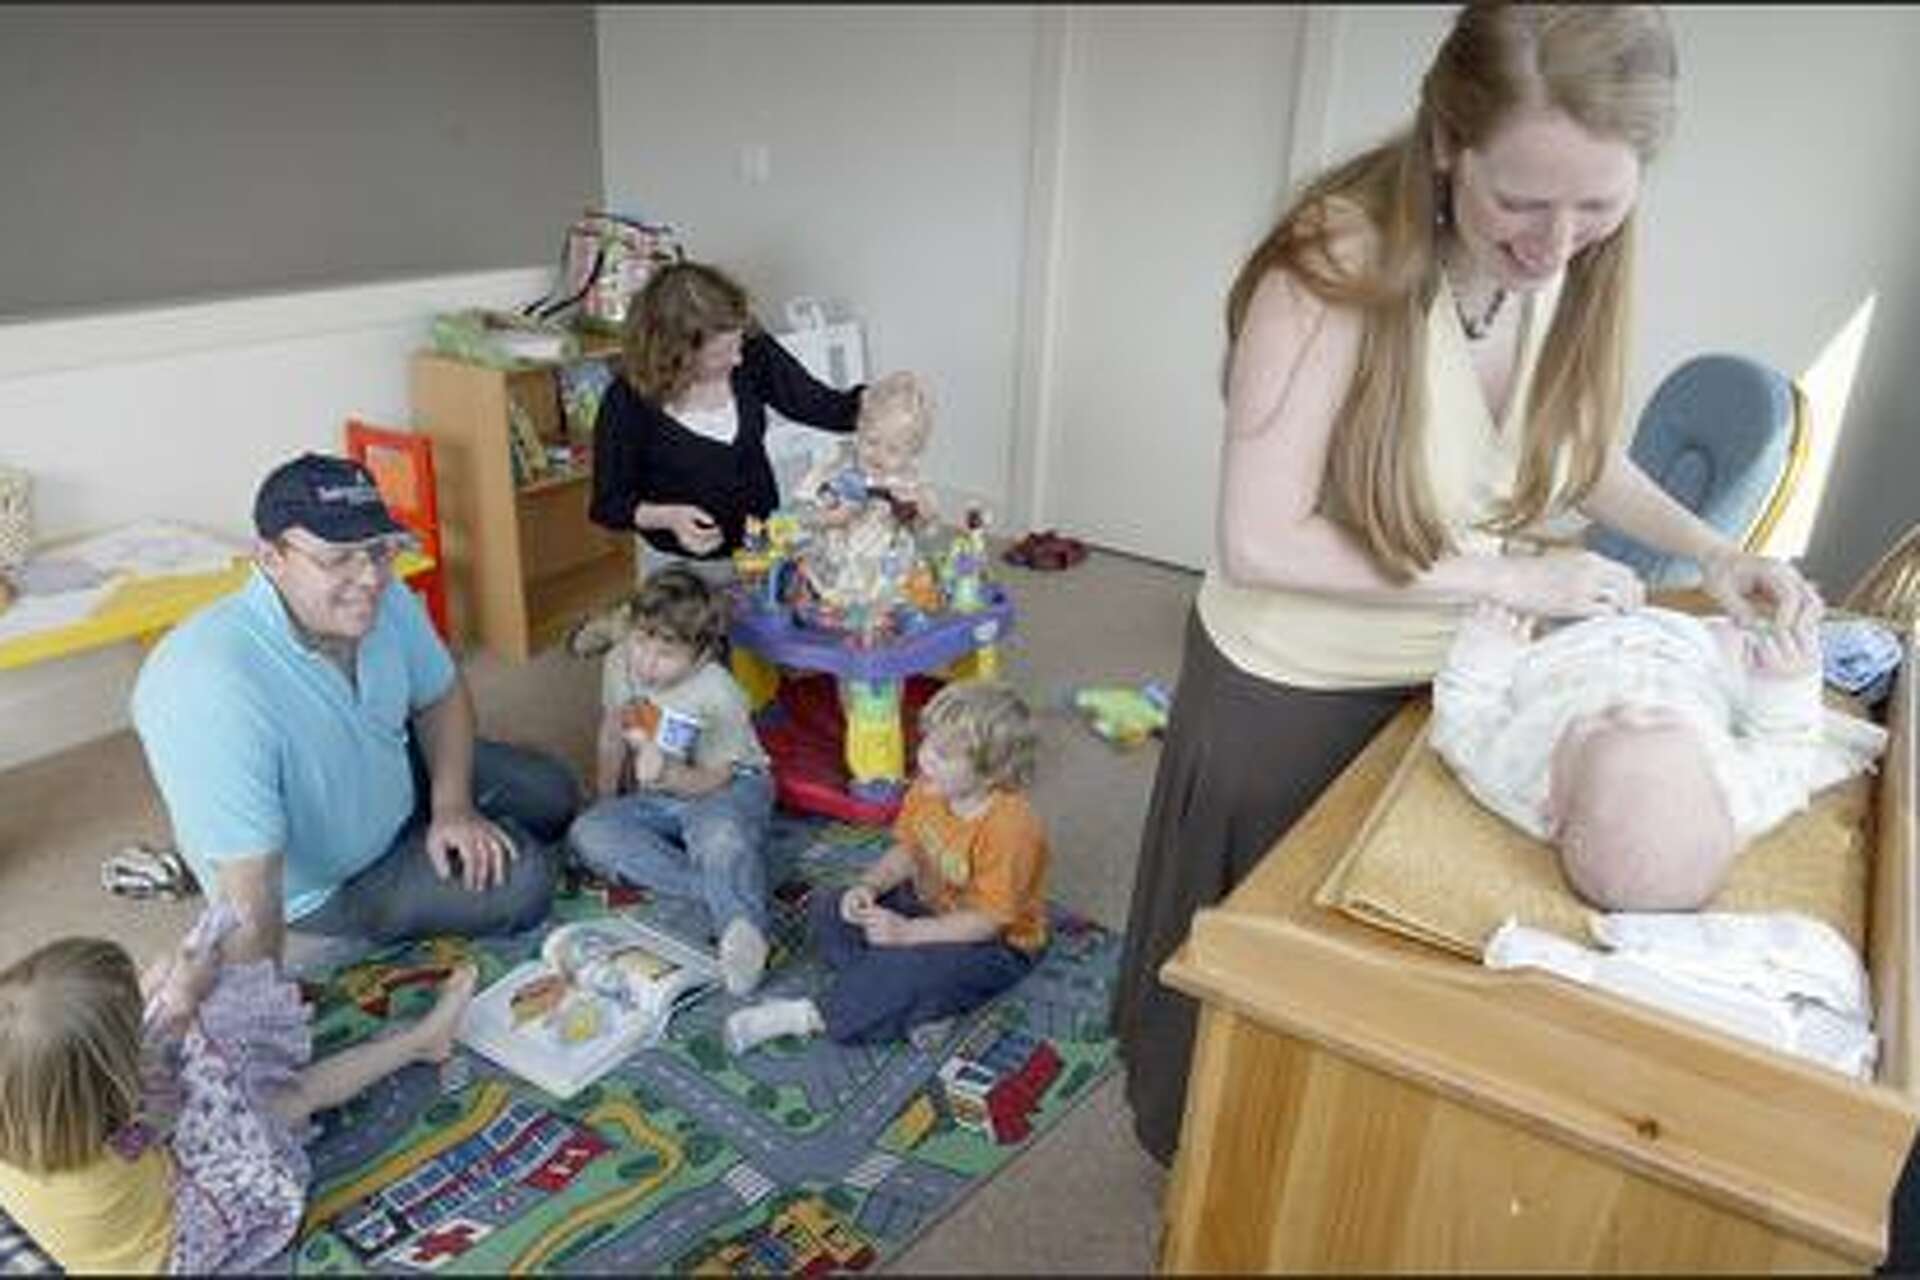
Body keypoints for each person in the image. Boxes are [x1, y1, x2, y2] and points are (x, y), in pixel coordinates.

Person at [1111, 2, 1825, 1166]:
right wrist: (1511, 574)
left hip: (1446, 680)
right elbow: (1261, 539)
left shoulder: (1548, 274)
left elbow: (1576, 453)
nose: (1555, 245)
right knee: (1239, 998)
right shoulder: (1331, 265)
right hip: (1287, 689)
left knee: (1367, 998)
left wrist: (1714, 552)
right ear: (1448, 142)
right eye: (1524, 204)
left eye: (1598, 207)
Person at [131, 453, 580, 967]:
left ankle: (439, 822)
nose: (370, 577)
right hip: (332, 882)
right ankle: (211, 854)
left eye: (379, 551)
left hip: (388, 773)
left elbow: (440, 693)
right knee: (526, 884)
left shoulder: (382, 594)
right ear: (270, 558)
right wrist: (255, 1023)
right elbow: (249, 891)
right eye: (338, 558)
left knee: (556, 793)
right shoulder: (207, 684)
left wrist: (453, 806)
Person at [0, 898, 476, 1273]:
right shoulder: (122, 1140)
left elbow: (82, 1060)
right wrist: (181, 1001)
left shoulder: (38, 1109)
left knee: (192, 1040)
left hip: (108, 1225)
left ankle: (413, 1043)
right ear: (106, 1082)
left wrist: (152, 996)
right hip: (177, 1246)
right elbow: (170, 1098)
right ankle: (421, 1042)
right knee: (276, 1097)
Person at [1431, 602, 1887, 909]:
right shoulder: (1744, 799)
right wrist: (1788, 682)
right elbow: (1786, 745)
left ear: (1555, 811)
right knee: (1739, 647)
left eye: (1603, 724)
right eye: (1663, 724)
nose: (1631, 709)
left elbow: (1464, 722)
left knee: (1531, 619)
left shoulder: (1517, 779)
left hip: (1573, 649)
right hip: (1688, 655)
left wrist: (1484, 652)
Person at [722, 679, 1048, 1056]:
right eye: (927, 742)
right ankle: (910, 999)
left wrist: (909, 934)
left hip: (997, 943)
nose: (925, 757)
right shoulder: (929, 788)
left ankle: (809, 1015)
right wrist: (869, 886)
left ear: (991, 774)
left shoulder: (1011, 828)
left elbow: (987, 922)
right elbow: (909, 850)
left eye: (943, 754)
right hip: (929, 901)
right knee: (831, 906)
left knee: (910, 967)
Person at [589, 260, 903, 584]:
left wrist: (884, 403)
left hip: (761, 551)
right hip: (679, 572)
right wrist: (667, 518)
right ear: (676, 356)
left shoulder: (750, 351)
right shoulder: (627, 401)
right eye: (721, 354)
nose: (738, 359)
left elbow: (823, 406)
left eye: (737, 345)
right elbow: (609, 504)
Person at [565, 567, 777, 996]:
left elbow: (713, 780)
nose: (645, 662)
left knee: (720, 835)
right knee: (589, 834)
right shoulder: (619, 661)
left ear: (700, 656)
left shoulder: (719, 692)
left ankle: (742, 931)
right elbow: (612, 732)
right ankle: (724, 885)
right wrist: (605, 799)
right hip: (660, 793)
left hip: (727, 786)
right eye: (642, 641)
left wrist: (667, 773)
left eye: (666, 654)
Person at [798, 370, 939, 525]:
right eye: (871, 441)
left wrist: (920, 503)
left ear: (912, 452)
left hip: (892, 547)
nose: (879, 454)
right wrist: (830, 513)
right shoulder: (847, 474)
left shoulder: (906, 480)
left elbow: (930, 514)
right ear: (859, 430)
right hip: (849, 546)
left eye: (893, 450)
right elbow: (822, 506)